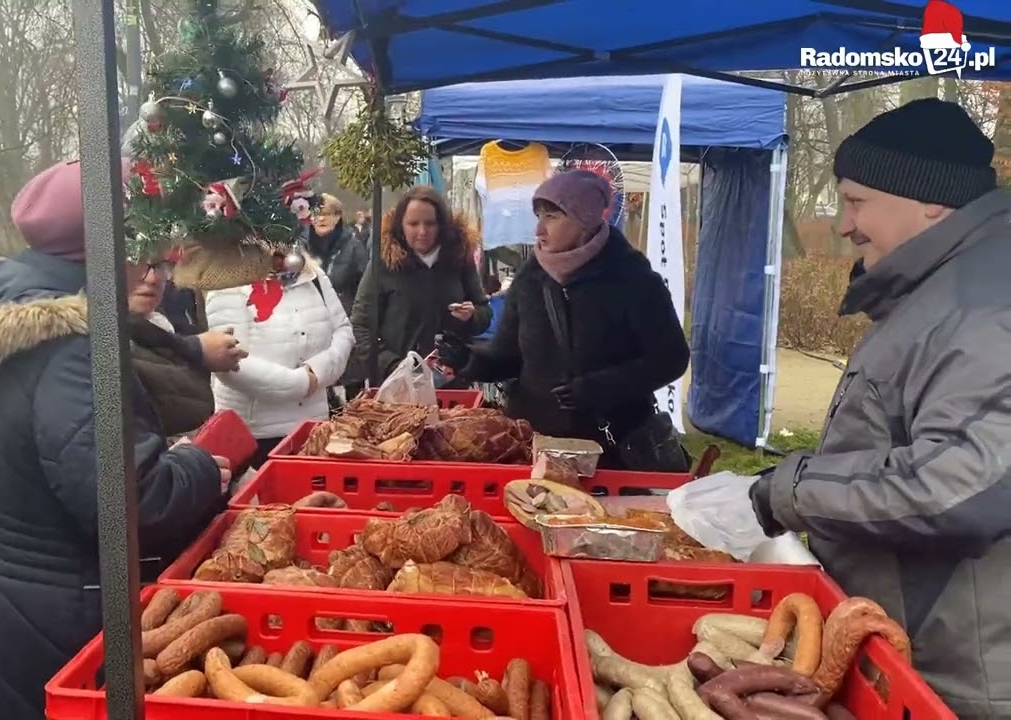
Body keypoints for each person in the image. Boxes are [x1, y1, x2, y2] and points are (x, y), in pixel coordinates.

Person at [696, 99, 1011, 717]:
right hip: (910, 648)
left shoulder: (988, 303)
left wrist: (783, 496)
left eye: (857, 201)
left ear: (929, 200)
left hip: (962, 672)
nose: (844, 224)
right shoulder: (943, 289)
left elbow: (964, 487)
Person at [0, 159, 231, 720]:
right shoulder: (76, 348)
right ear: (108, 248)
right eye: (146, 248)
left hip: (5, 600)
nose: (157, 268)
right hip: (61, 615)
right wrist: (200, 466)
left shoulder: (5, 312)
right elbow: (131, 501)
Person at [438, 170, 690, 470]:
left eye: (552, 216)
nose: (539, 229)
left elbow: (670, 358)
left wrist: (599, 387)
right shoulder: (530, 278)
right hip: (536, 448)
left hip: (612, 452)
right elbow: (507, 356)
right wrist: (469, 359)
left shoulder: (633, 279)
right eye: (538, 215)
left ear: (584, 221)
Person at [205, 251, 354, 468]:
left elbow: (343, 331)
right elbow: (229, 360)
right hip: (255, 438)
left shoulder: (313, 276)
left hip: (314, 430)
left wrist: (318, 370)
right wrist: (301, 383)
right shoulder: (229, 283)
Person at [351, 185, 492, 385]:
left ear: (441, 224)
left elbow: (484, 312)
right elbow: (361, 325)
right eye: (413, 224)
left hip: (451, 385)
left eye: (430, 223)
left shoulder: (459, 258)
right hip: (398, 386)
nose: (422, 231)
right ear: (401, 225)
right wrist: (393, 366)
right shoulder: (383, 265)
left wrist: (472, 316)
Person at [128, 254, 246, 436]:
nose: (153, 278)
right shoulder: (97, 343)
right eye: (136, 263)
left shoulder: (163, 323)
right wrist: (196, 351)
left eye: (161, 266)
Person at [304, 193, 369, 398]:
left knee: (352, 378)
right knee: (319, 376)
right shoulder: (303, 245)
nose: (321, 219)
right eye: (316, 214)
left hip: (345, 317)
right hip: (312, 319)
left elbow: (364, 284)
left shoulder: (352, 244)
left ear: (338, 216)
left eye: (327, 214)